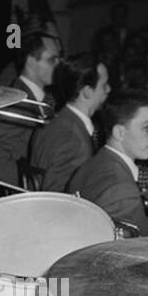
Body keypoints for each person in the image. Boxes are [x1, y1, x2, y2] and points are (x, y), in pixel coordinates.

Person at [66, 90, 148, 237]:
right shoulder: (122, 189)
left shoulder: (95, 163)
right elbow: (124, 251)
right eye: (147, 128)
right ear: (120, 133)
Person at [0, 30, 59, 188]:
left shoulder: (45, 98)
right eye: (52, 60)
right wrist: (33, 185)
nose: (58, 64)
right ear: (31, 61)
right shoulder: (18, 103)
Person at [28, 53, 109, 192]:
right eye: (104, 85)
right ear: (87, 92)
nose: (109, 89)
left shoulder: (53, 121)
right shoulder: (74, 140)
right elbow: (59, 199)